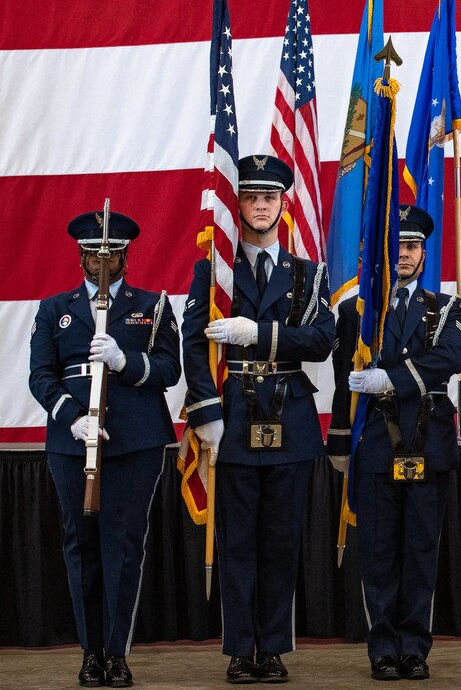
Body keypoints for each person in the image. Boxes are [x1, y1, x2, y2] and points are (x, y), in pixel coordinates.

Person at [180, 154, 334, 683]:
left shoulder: (308, 273)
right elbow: (192, 344)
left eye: (270, 196)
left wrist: (259, 334)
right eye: (250, 196)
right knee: (238, 541)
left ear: (284, 204)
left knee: (281, 540)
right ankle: (239, 649)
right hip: (235, 413)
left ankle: (272, 647)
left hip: (288, 415)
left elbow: (322, 340)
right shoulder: (214, 272)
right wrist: (205, 414)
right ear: (236, 204)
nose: (260, 204)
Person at [29, 209, 181, 688]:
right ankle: (90, 651)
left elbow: (168, 370)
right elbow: (39, 377)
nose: (101, 260)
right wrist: (71, 419)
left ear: (124, 256)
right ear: (79, 255)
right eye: (93, 251)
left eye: (110, 252)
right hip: (73, 446)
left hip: (136, 443)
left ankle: (117, 652)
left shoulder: (151, 306)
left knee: (123, 548)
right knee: (81, 548)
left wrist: (125, 360)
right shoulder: (55, 308)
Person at [328, 205, 461, 681]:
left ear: (424, 253)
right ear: (378, 252)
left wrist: (387, 378)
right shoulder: (357, 312)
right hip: (375, 443)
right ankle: (383, 647)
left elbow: (445, 361)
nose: (403, 255)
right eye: (396, 246)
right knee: (380, 552)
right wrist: (339, 441)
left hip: (428, 438)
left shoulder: (446, 308)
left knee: (421, 550)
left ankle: (415, 648)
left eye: (411, 246)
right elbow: (342, 377)